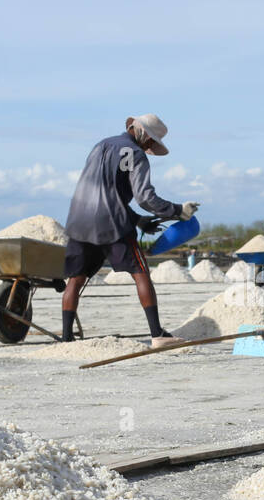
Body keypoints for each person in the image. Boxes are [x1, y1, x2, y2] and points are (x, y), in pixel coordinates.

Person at [61, 114, 200, 347]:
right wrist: (178, 211)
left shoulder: (99, 146)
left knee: (75, 279)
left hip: (78, 220)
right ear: (144, 134)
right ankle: (157, 335)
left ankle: (66, 338)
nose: (149, 147)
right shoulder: (135, 154)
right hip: (111, 224)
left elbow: (103, 194)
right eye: (150, 142)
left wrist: (139, 221)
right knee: (140, 272)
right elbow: (145, 198)